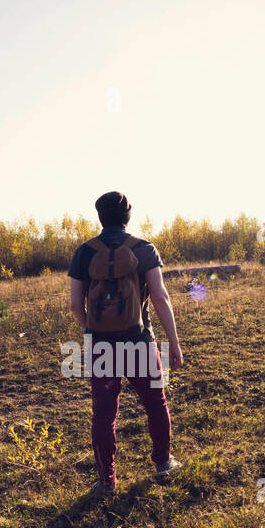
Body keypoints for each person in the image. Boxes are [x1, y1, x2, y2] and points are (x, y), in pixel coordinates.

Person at [68, 191, 183, 495]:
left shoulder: (84, 252)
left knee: (104, 415)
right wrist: (173, 342)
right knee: (156, 404)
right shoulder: (143, 249)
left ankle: (107, 480)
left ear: (100, 217)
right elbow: (160, 297)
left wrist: (92, 330)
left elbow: (74, 304)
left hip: (101, 347)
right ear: (128, 216)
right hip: (140, 341)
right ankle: (162, 463)